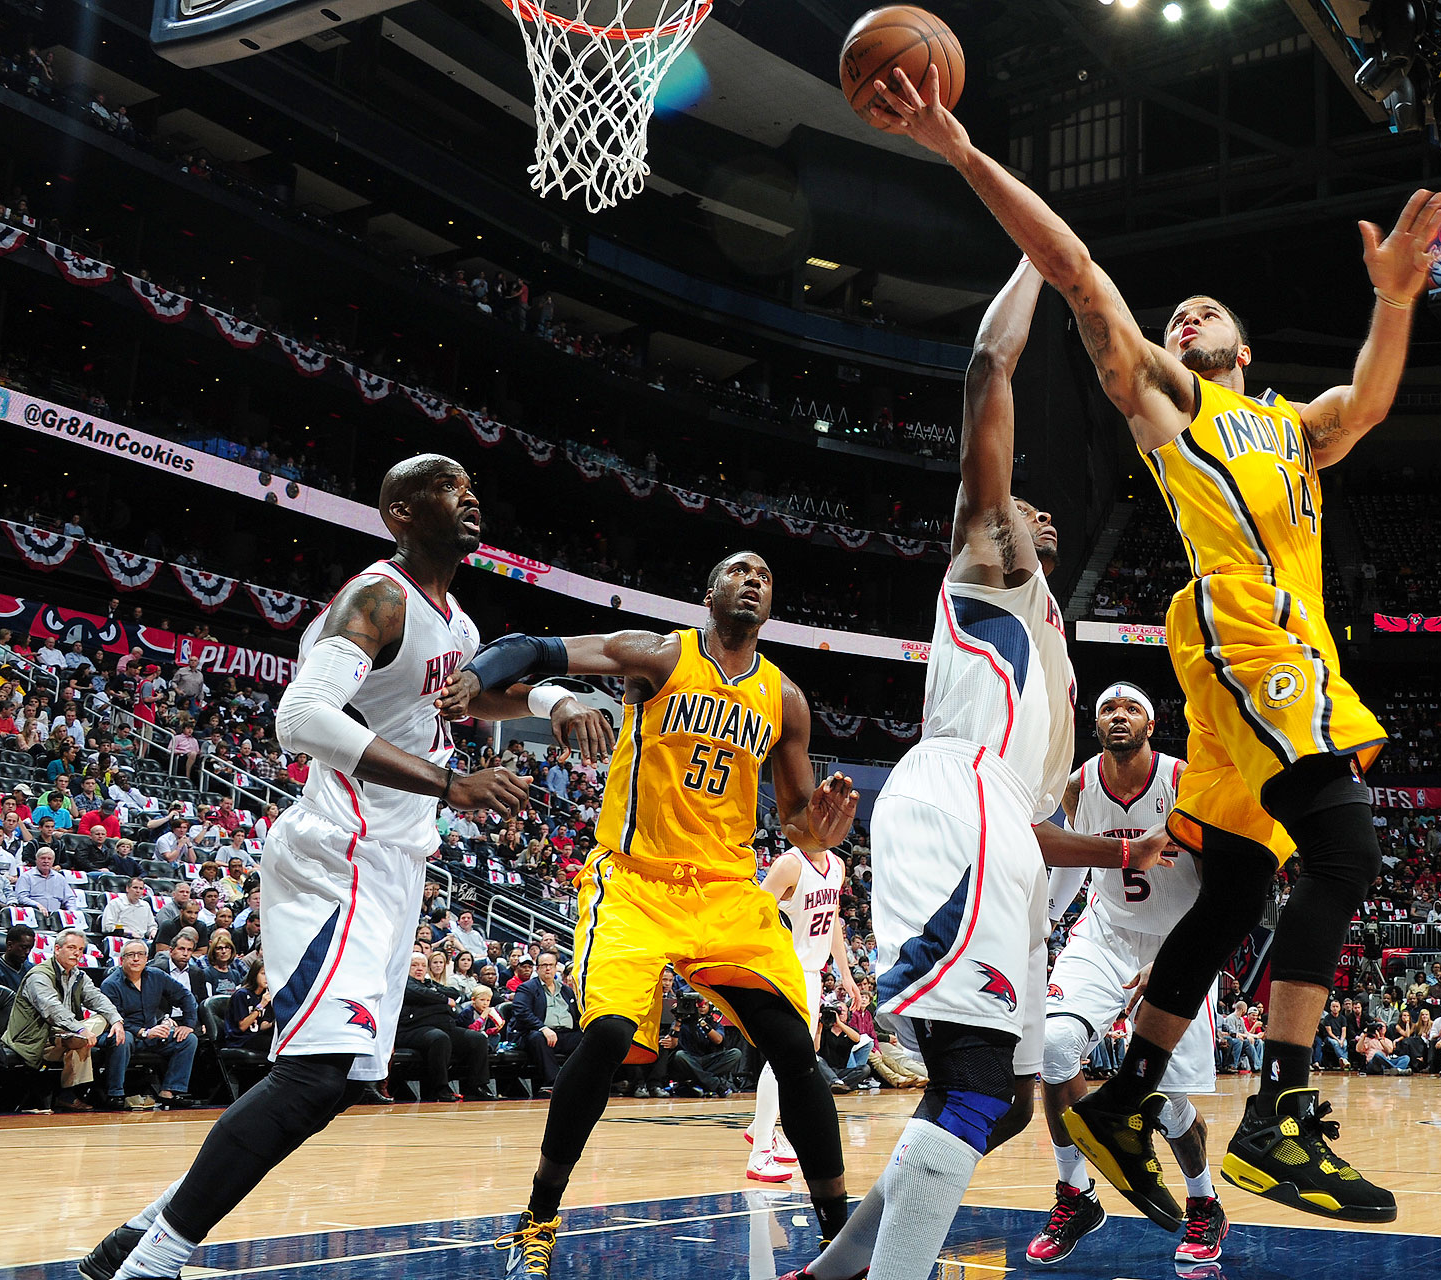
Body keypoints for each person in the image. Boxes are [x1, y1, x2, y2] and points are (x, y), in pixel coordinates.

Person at [867, 62, 1441, 1227]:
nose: (1185, 316)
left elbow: (1369, 405)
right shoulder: (1176, 404)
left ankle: (1127, 1093)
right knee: (1343, 854)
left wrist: (1392, 297)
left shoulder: (1293, 425)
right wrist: (962, 151)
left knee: (1233, 884)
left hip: (1277, 649)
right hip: (1243, 627)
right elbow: (1081, 280)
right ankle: (1280, 1108)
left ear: (1247, 341)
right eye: (1174, 315)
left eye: (1205, 311)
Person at [781, 261, 1165, 1280]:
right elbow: (985, 367)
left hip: (999, 834)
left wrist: (1124, 843)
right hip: (957, 801)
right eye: (1015, 509)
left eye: (1041, 518)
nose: (1029, 520)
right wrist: (1038, 258)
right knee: (969, 1086)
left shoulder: (1051, 642)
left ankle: (836, 1268)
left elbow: (1030, 828)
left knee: (1000, 1107)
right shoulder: (988, 560)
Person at [81, 455, 539, 1280]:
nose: (471, 495)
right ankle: (156, 1263)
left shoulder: (456, 623)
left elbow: (472, 699)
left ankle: (135, 1240)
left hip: (396, 867)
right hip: (339, 855)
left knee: (332, 1087)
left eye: (476, 484)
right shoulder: (378, 597)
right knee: (314, 1075)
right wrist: (451, 782)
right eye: (449, 485)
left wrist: (551, 702)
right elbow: (301, 715)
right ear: (400, 510)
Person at [434, 549, 861, 1277]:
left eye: (765, 574)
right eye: (738, 570)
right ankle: (537, 1217)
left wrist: (822, 830)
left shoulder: (785, 699)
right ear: (711, 590)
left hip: (725, 889)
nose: (754, 580)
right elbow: (542, 648)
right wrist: (479, 674)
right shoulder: (659, 656)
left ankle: (839, 1238)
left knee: (795, 1048)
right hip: (633, 881)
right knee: (603, 1038)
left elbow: (795, 820)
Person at [1027, 682, 1225, 1267]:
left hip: (1178, 942)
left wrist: (1173, 961)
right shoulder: (1079, 783)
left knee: (1164, 1098)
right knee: (1056, 1048)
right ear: (1096, 725)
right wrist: (1043, 923)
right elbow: (1064, 855)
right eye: (1107, 709)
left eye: (1131, 707)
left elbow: (1223, 890)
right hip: (1104, 933)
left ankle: (1203, 1201)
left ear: (1151, 721)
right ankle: (1076, 1193)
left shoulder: (1185, 781)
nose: (1118, 716)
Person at [746, 840, 859, 1181]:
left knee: (794, 1059)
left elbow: (834, 922)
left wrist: (846, 972)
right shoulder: (789, 865)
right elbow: (753, 916)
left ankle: (760, 1127)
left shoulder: (836, 867)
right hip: (787, 973)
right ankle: (759, 1152)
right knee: (787, 1059)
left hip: (812, 974)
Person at [3, 928, 124, 1112]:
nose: (77, 953)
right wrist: (80, 1030)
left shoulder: (77, 975)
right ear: (57, 949)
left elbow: (97, 998)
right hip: (34, 1039)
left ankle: (74, 1043)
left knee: (102, 1019)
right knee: (81, 1041)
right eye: (71, 947)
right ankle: (68, 1094)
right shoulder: (39, 976)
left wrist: (117, 1021)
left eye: (81, 949)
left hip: (64, 1033)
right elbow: (53, 1009)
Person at [99, 940, 201, 1110]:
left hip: (153, 1034)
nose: (136, 959)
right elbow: (116, 1019)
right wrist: (145, 1032)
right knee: (122, 1037)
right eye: (130, 955)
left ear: (147, 958)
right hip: (128, 1033)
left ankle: (169, 1092)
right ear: (121, 959)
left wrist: (189, 1024)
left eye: (140, 954)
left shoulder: (156, 975)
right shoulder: (110, 984)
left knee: (188, 1039)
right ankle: (115, 1094)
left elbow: (186, 996)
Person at [396, 952, 493, 1102]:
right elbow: (418, 993)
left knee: (477, 1039)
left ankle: (476, 1087)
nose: (419, 969)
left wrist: (435, 996)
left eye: (423, 965)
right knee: (439, 1038)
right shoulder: (402, 983)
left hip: (445, 1026)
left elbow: (454, 993)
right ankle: (439, 1088)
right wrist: (443, 1001)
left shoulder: (430, 984)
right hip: (413, 1028)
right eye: (414, 965)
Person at [508, 951, 584, 1088]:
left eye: (551, 965)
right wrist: (543, 1028)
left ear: (556, 968)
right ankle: (554, 1084)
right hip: (537, 1033)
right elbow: (521, 1012)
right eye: (544, 965)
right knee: (538, 1038)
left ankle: (583, 1081)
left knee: (588, 1038)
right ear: (537, 969)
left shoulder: (567, 991)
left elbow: (577, 1015)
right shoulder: (527, 988)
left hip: (565, 1034)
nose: (548, 968)